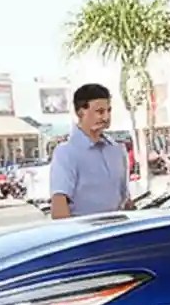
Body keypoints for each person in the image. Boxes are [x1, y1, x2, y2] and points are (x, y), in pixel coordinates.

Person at [49, 83, 134, 219]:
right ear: (80, 112)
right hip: (84, 229)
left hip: (118, 228)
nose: (106, 117)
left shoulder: (117, 150)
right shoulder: (66, 153)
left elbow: (125, 200)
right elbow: (59, 207)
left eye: (109, 111)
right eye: (100, 112)